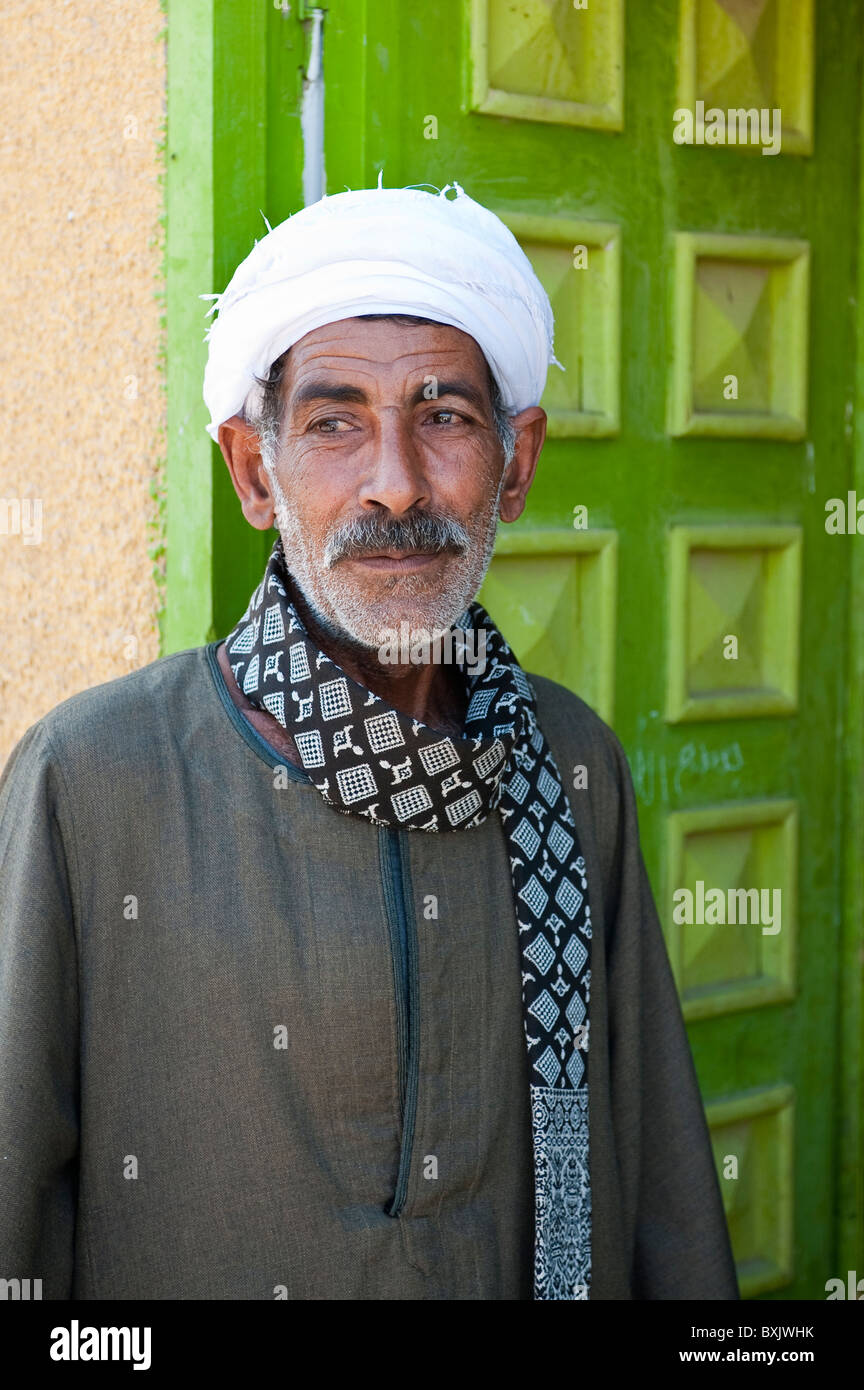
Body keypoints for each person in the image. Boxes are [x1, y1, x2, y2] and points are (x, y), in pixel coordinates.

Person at [0, 180, 738, 1300]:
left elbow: (664, 1200)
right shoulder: (92, 780)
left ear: (519, 463)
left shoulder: (572, 767)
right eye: (335, 421)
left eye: (444, 417)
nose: (395, 483)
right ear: (255, 471)